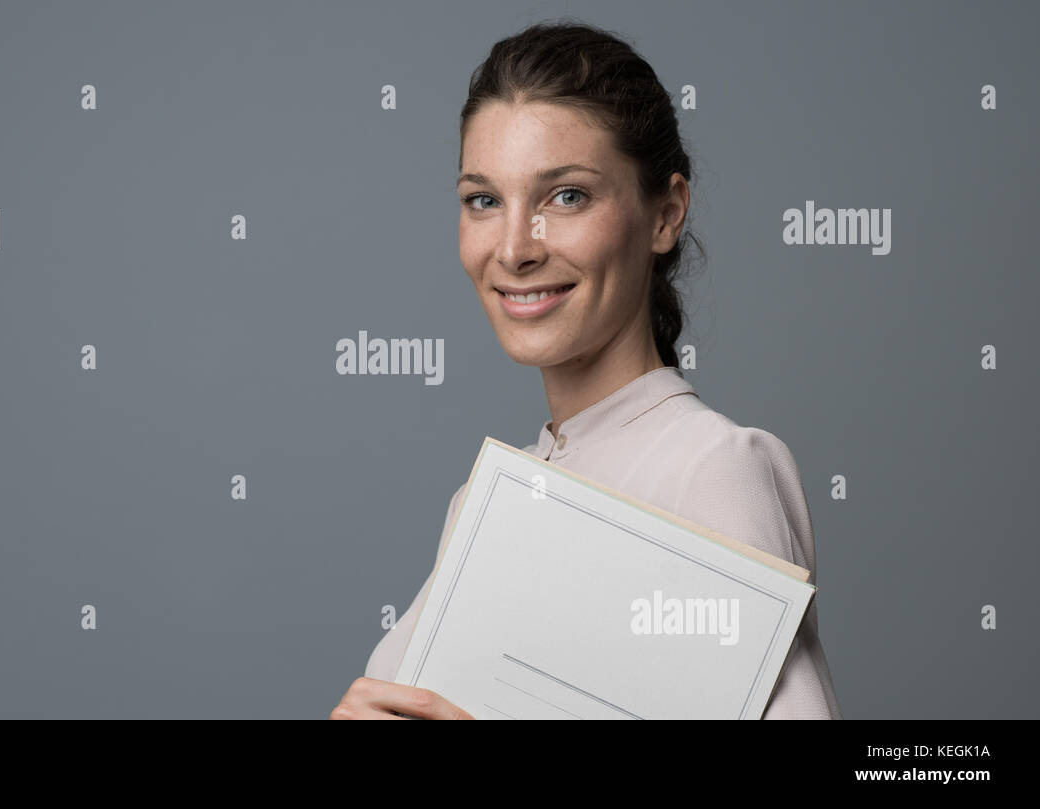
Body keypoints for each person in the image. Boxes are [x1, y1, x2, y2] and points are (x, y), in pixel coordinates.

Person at [330, 21, 841, 720]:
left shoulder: (713, 467)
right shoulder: (481, 501)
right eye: (484, 200)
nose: (515, 248)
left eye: (564, 196)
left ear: (665, 213)